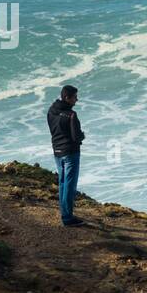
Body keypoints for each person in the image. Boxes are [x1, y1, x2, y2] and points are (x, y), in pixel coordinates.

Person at [47, 85, 86, 226]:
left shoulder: (51, 110)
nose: (77, 99)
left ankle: (65, 214)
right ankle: (68, 218)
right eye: (75, 97)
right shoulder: (71, 115)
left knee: (63, 183)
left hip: (57, 151)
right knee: (70, 185)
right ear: (67, 98)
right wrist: (83, 136)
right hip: (70, 153)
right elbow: (76, 137)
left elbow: (53, 130)